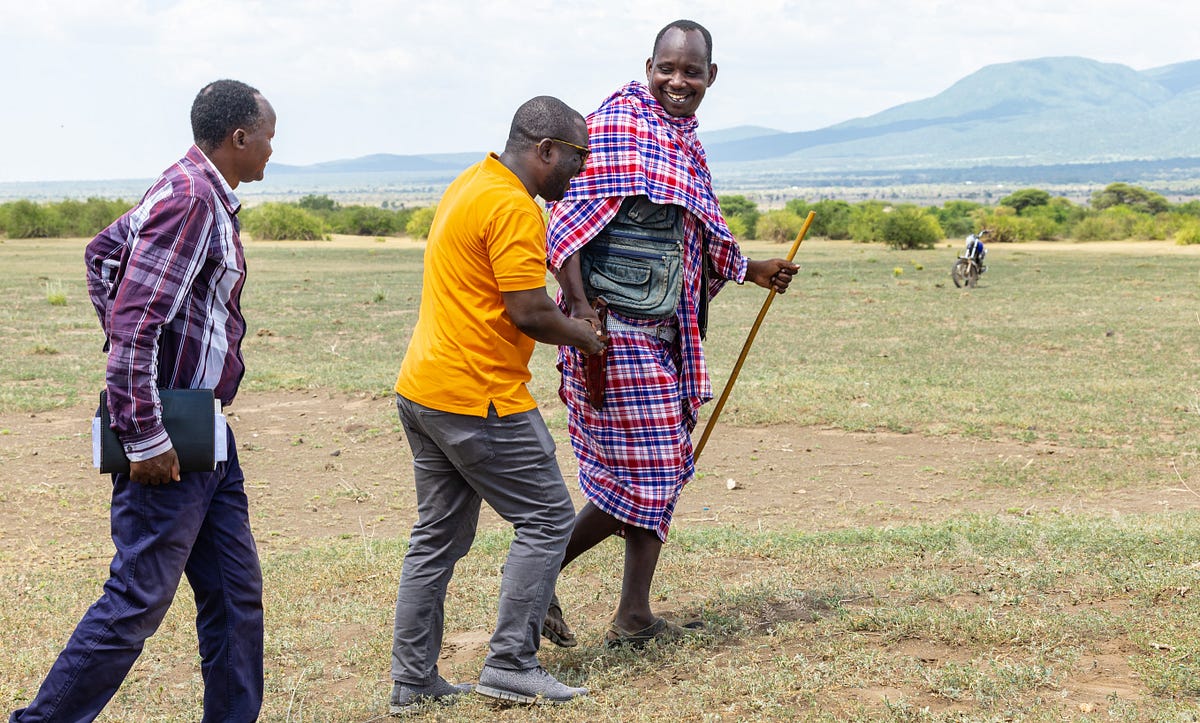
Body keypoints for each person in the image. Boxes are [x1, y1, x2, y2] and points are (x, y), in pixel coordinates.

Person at [11, 79, 275, 722]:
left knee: (235, 597)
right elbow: (135, 322)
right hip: (170, 438)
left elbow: (102, 253)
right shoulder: (190, 199)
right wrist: (145, 432)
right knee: (137, 600)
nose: (273, 147)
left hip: (205, 430)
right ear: (239, 138)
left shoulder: (194, 189)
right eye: (269, 135)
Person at [543, 19, 798, 649]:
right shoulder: (611, 128)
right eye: (667, 67)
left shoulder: (684, 143)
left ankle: (633, 615)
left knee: (653, 470)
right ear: (647, 65)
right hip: (612, 329)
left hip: (665, 330)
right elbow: (566, 224)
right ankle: (535, 574)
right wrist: (579, 312)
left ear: (711, 77)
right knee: (656, 470)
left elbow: (694, 235)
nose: (677, 81)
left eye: (691, 71)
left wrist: (751, 269)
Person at [388, 95, 607, 714]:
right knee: (547, 521)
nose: (580, 169)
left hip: (424, 389)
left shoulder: (474, 182)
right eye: (577, 156)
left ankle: (412, 681)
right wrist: (586, 334)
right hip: (477, 397)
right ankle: (512, 664)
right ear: (545, 151)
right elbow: (528, 312)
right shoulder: (514, 207)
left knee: (436, 538)